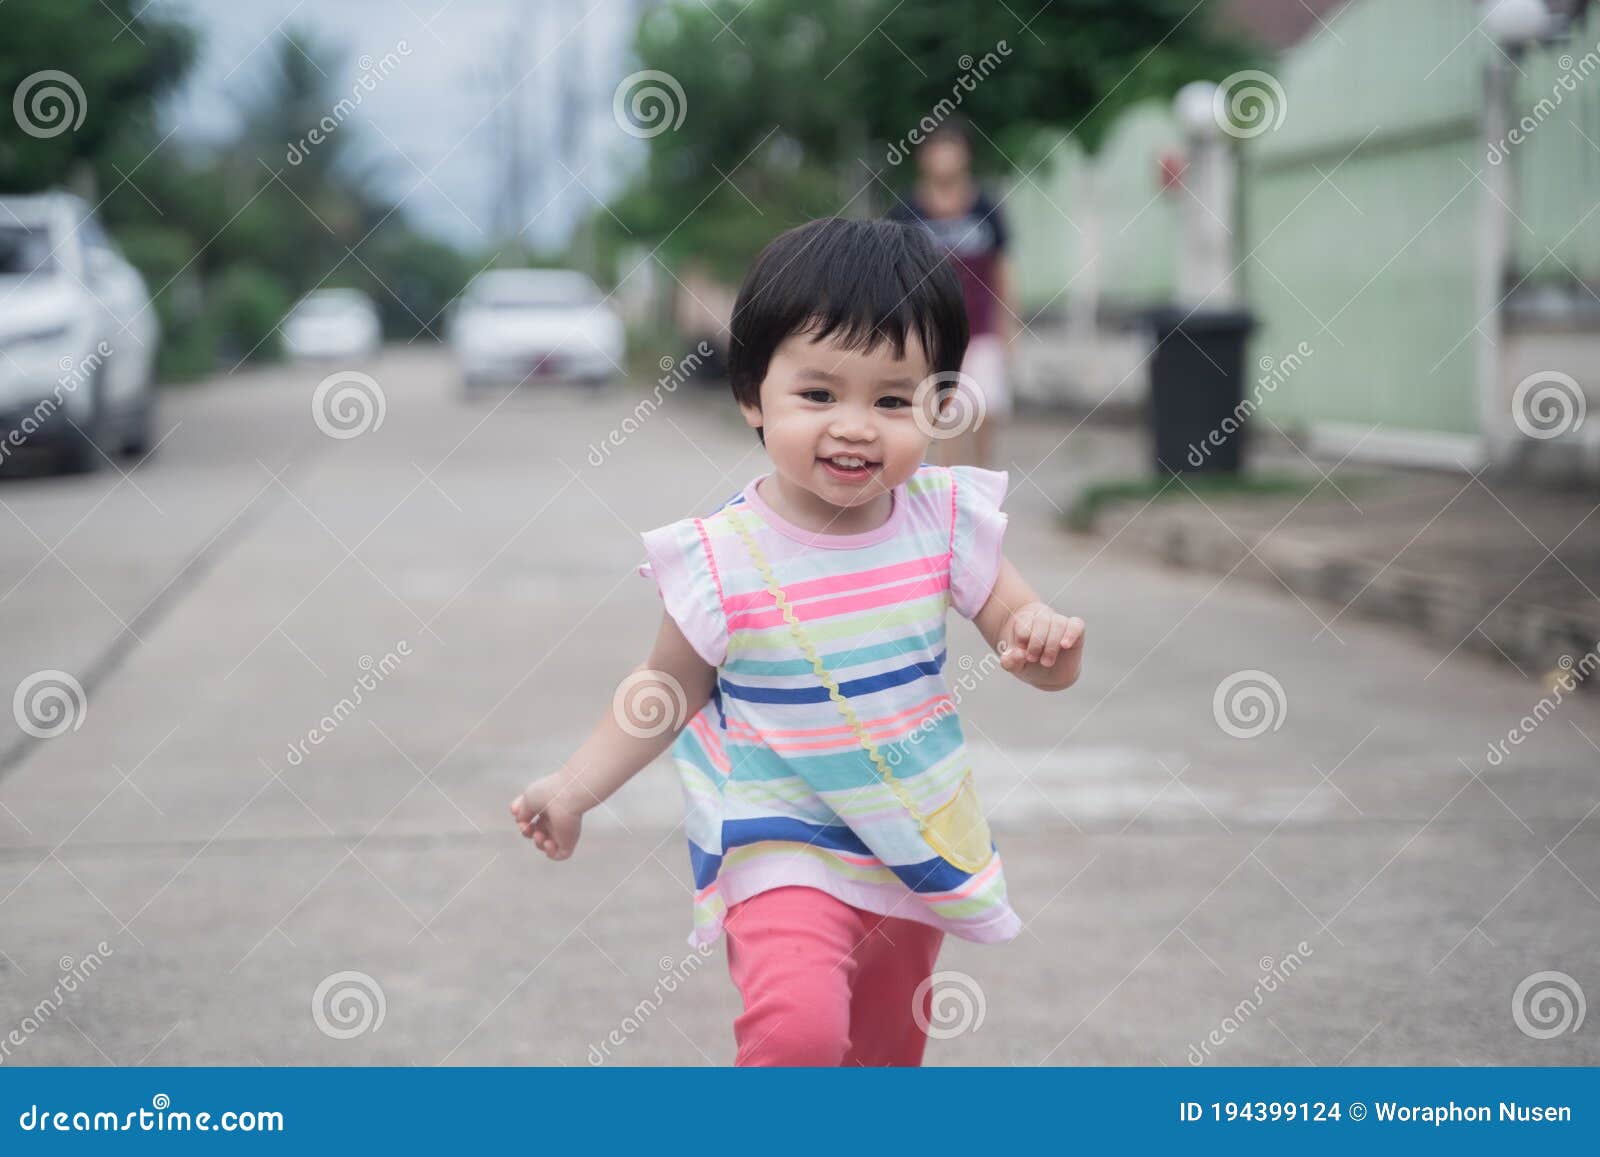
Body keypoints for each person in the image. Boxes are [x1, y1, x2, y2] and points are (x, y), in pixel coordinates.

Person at [510, 218, 1086, 1067]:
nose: (856, 426)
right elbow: (666, 686)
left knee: (882, 1057)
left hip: (908, 841)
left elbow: (1030, 643)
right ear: (753, 394)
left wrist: (1047, 643)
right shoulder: (722, 556)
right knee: (800, 1033)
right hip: (778, 842)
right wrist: (572, 786)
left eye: (892, 400)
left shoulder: (943, 521)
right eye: (819, 395)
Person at [888, 117, 1017, 469]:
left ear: (966, 154)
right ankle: (944, 485)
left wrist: (1010, 327)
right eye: (936, 148)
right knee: (943, 415)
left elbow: (1003, 271)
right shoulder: (906, 212)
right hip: (928, 331)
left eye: (951, 147)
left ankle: (981, 478)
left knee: (987, 408)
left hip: (981, 330)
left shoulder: (986, 208)